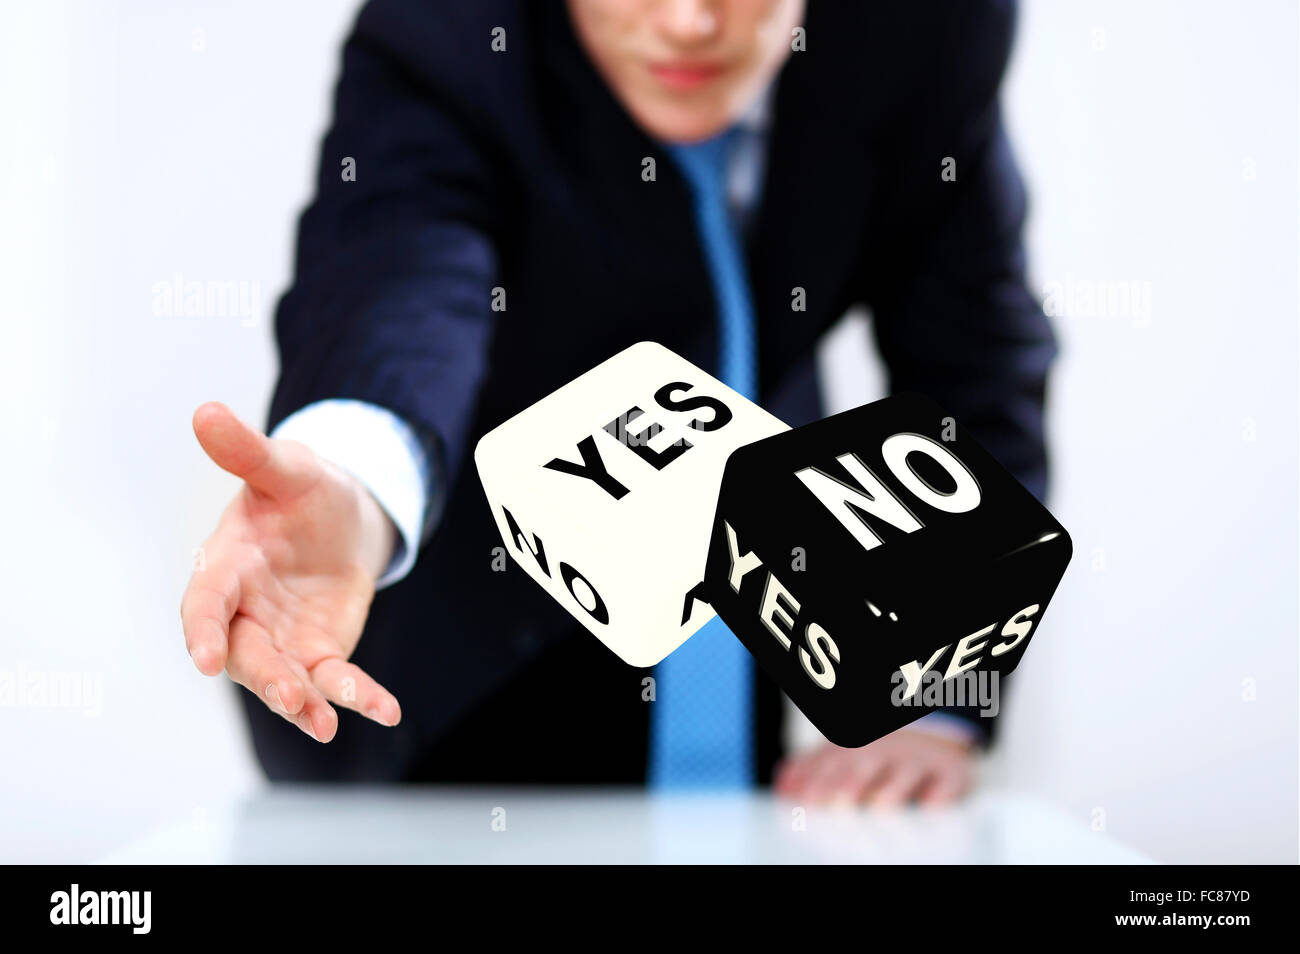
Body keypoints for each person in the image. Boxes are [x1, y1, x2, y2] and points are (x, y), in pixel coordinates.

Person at [181, 0, 1056, 804]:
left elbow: (974, 367)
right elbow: (397, 280)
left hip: (752, 702)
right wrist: (358, 482)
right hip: (445, 706)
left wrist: (935, 695)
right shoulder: (445, 33)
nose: (686, 22)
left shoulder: (928, 29)